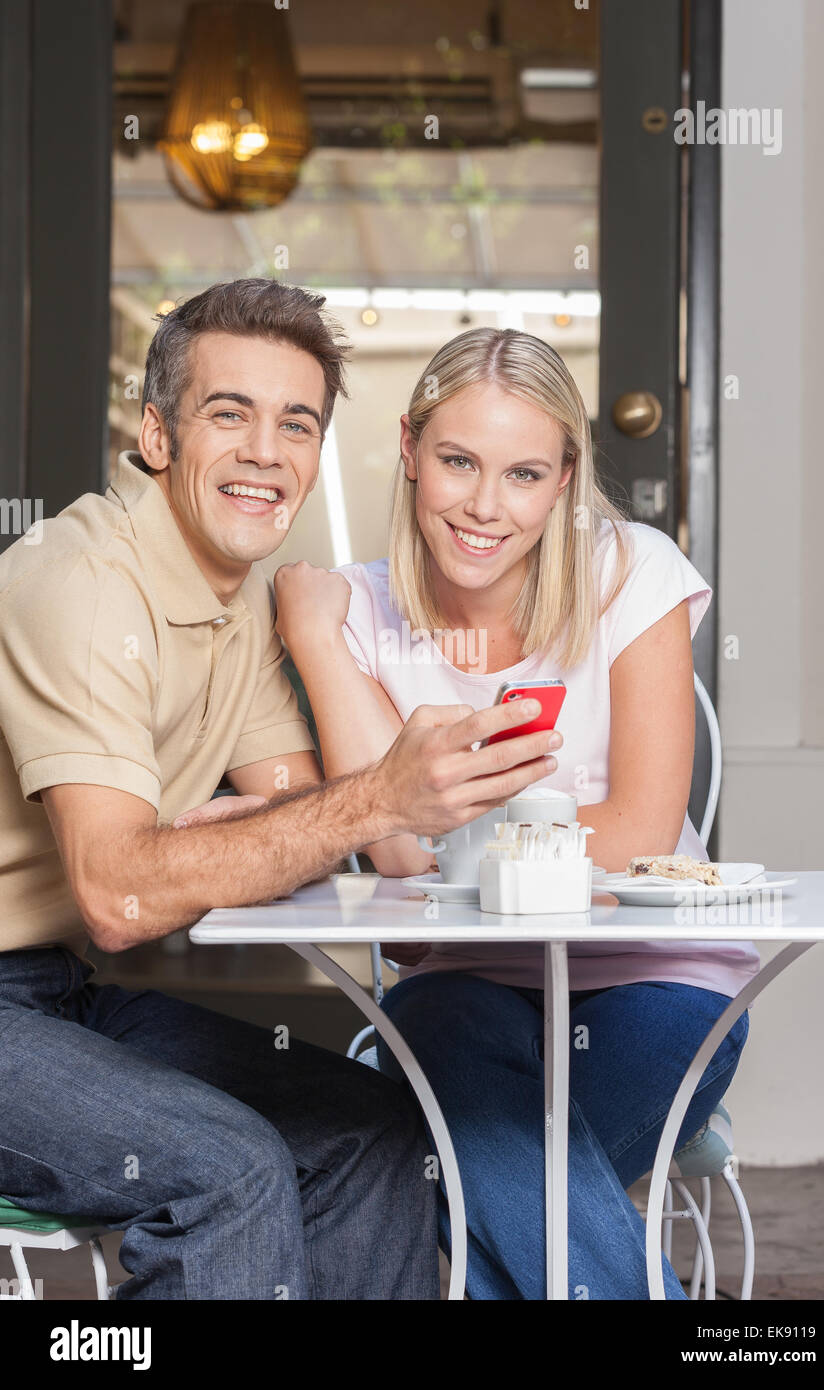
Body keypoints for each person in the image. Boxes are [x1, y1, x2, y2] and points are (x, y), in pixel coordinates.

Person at [0, 284, 560, 1301]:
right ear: (157, 435)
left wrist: (238, 835)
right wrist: (366, 802)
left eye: (293, 423)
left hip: (49, 992)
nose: (265, 450)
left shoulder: (247, 595)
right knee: (231, 1168)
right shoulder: (80, 583)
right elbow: (124, 898)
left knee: (375, 1134)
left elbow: (291, 815)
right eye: (229, 414)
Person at [276, 326, 759, 1300]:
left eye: (524, 473)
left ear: (564, 479)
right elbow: (400, 846)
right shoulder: (355, 614)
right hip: (463, 991)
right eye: (456, 461)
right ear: (408, 449)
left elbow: (635, 829)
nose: (485, 506)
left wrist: (464, 844)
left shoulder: (632, 571)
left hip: (657, 982)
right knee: (477, 1107)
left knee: (462, 1168)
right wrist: (314, 639)